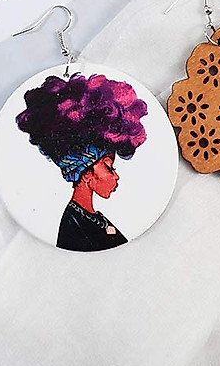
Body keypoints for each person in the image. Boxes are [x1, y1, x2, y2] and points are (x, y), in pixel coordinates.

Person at [15, 71, 149, 251]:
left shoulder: (90, 217)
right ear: (85, 174)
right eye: (109, 168)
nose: (116, 176)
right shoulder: (74, 224)